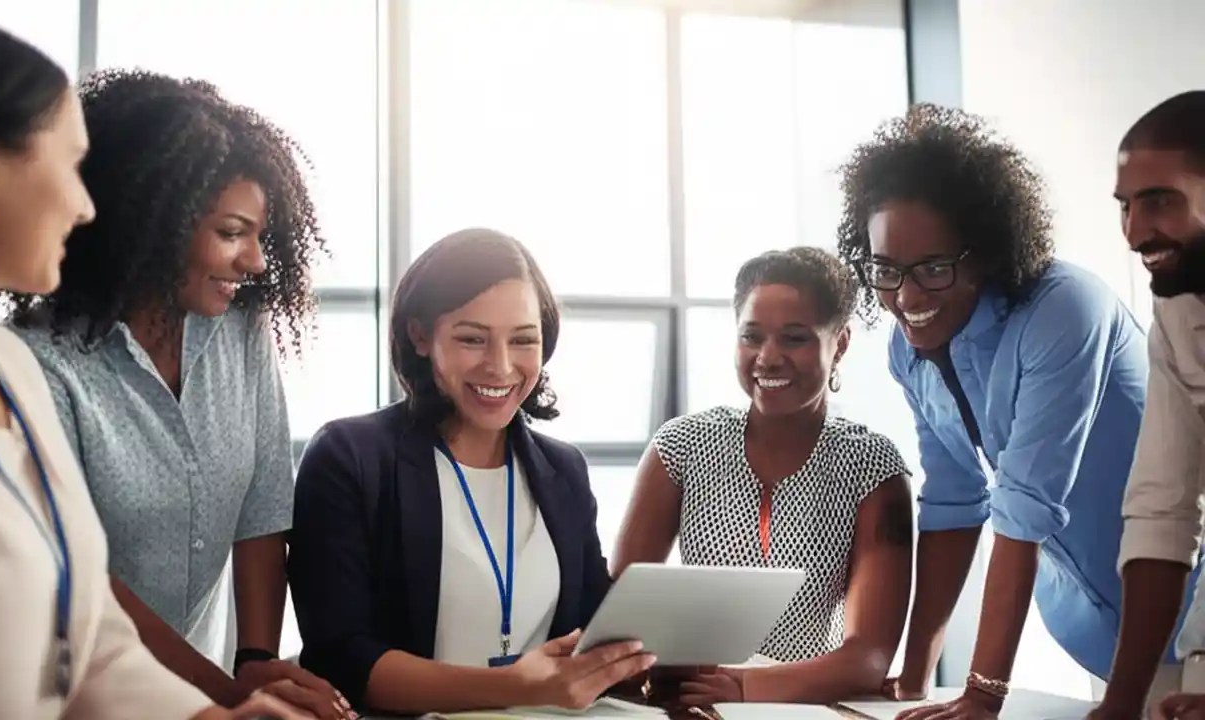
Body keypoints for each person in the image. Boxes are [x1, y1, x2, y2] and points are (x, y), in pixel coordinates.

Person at [0, 11, 305, 719]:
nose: (86, 205)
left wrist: (222, 711)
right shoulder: (38, 357)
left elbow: (88, 621)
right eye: (70, 167)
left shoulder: (3, 367)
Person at [4, 69, 350, 719]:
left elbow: (260, 511)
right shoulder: (36, 360)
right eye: (231, 232)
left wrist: (254, 661)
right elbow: (85, 578)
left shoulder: (241, 330)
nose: (255, 261)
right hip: (75, 694)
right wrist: (227, 695)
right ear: (151, 222)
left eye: (260, 235)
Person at [835, 104, 1158, 719]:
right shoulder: (909, 350)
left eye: (933, 268)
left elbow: (1024, 503)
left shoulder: (1065, 310)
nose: (906, 297)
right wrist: (914, 674)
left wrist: (983, 695)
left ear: (982, 253)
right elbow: (954, 499)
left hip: (1191, 610)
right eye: (886, 270)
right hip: (1099, 633)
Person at [288, 228, 656, 715]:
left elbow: (590, 629)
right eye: (472, 339)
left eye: (523, 340)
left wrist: (654, 652)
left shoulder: (563, 470)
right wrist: (514, 687)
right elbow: (340, 657)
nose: (500, 367)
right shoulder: (349, 457)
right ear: (420, 335)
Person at [611, 247, 913, 705]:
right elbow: (620, 621)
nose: (768, 358)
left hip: (806, 709)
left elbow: (868, 658)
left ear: (840, 343)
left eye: (794, 338)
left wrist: (743, 687)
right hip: (694, 704)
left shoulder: (872, 467)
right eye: (752, 337)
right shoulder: (681, 446)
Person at [1090, 92, 1205, 720]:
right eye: (1125, 207)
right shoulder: (1178, 311)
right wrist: (1119, 706)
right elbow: (1163, 506)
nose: (1135, 233)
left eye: (1159, 200)